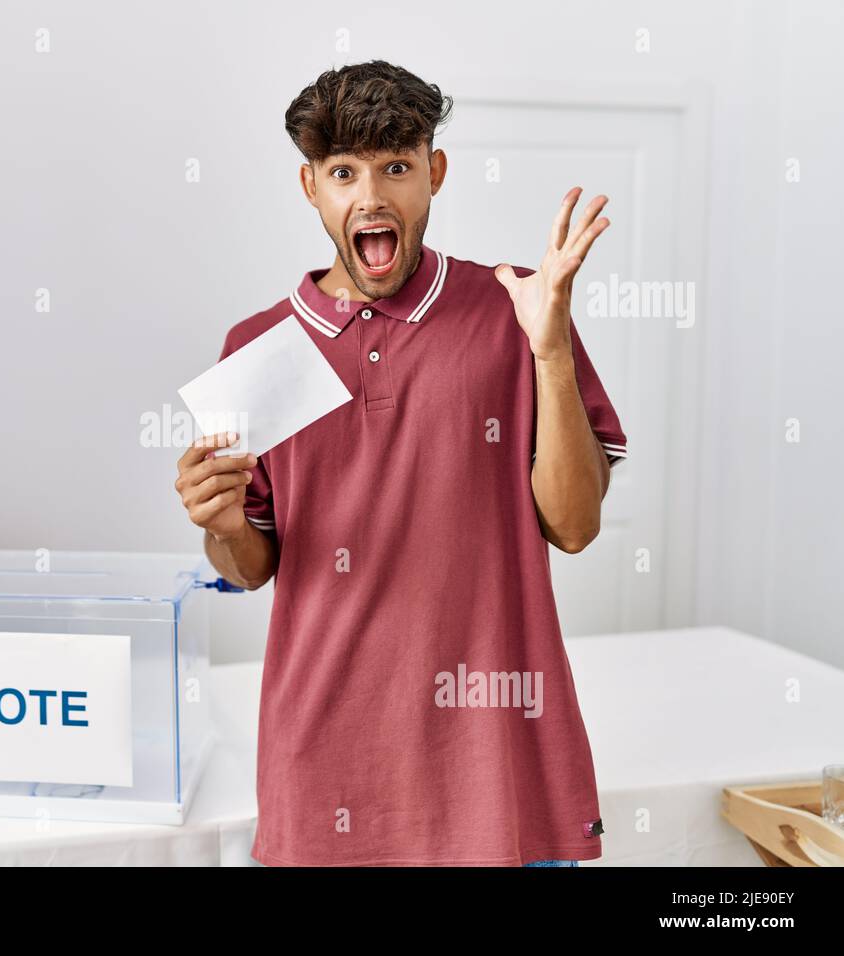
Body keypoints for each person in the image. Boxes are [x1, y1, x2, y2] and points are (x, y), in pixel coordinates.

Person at [174, 61, 627, 867]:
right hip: (325, 775)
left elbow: (576, 524)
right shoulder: (258, 352)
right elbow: (251, 567)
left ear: (435, 174)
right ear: (311, 187)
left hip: (498, 775)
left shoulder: (515, 310)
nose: (371, 196)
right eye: (345, 172)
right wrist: (218, 525)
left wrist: (550, 351)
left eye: (396, 166)